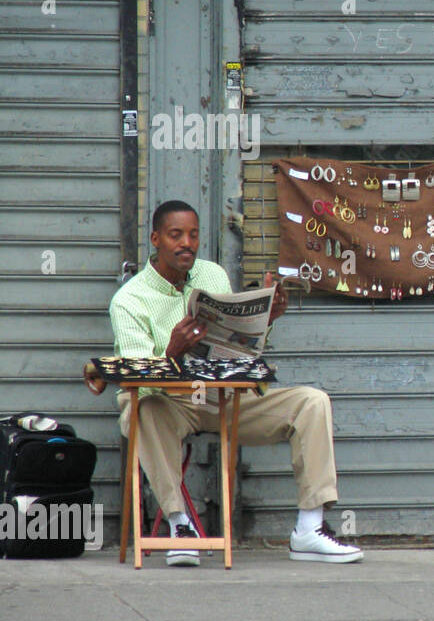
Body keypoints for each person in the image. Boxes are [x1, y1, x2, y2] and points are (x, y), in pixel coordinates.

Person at [109, 200, 362, 566]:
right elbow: (138, 380)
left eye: (193, 235)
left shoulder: (212, 276)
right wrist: (173, 353)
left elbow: (234, 349)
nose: (187, 244)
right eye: (175, 235)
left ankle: (309, 528)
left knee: (312, 402)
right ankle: (180, 527)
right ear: (155, 239)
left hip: (221, 397)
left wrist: (266, 320)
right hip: (167, 403)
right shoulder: (129, 300)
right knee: (141, 409)